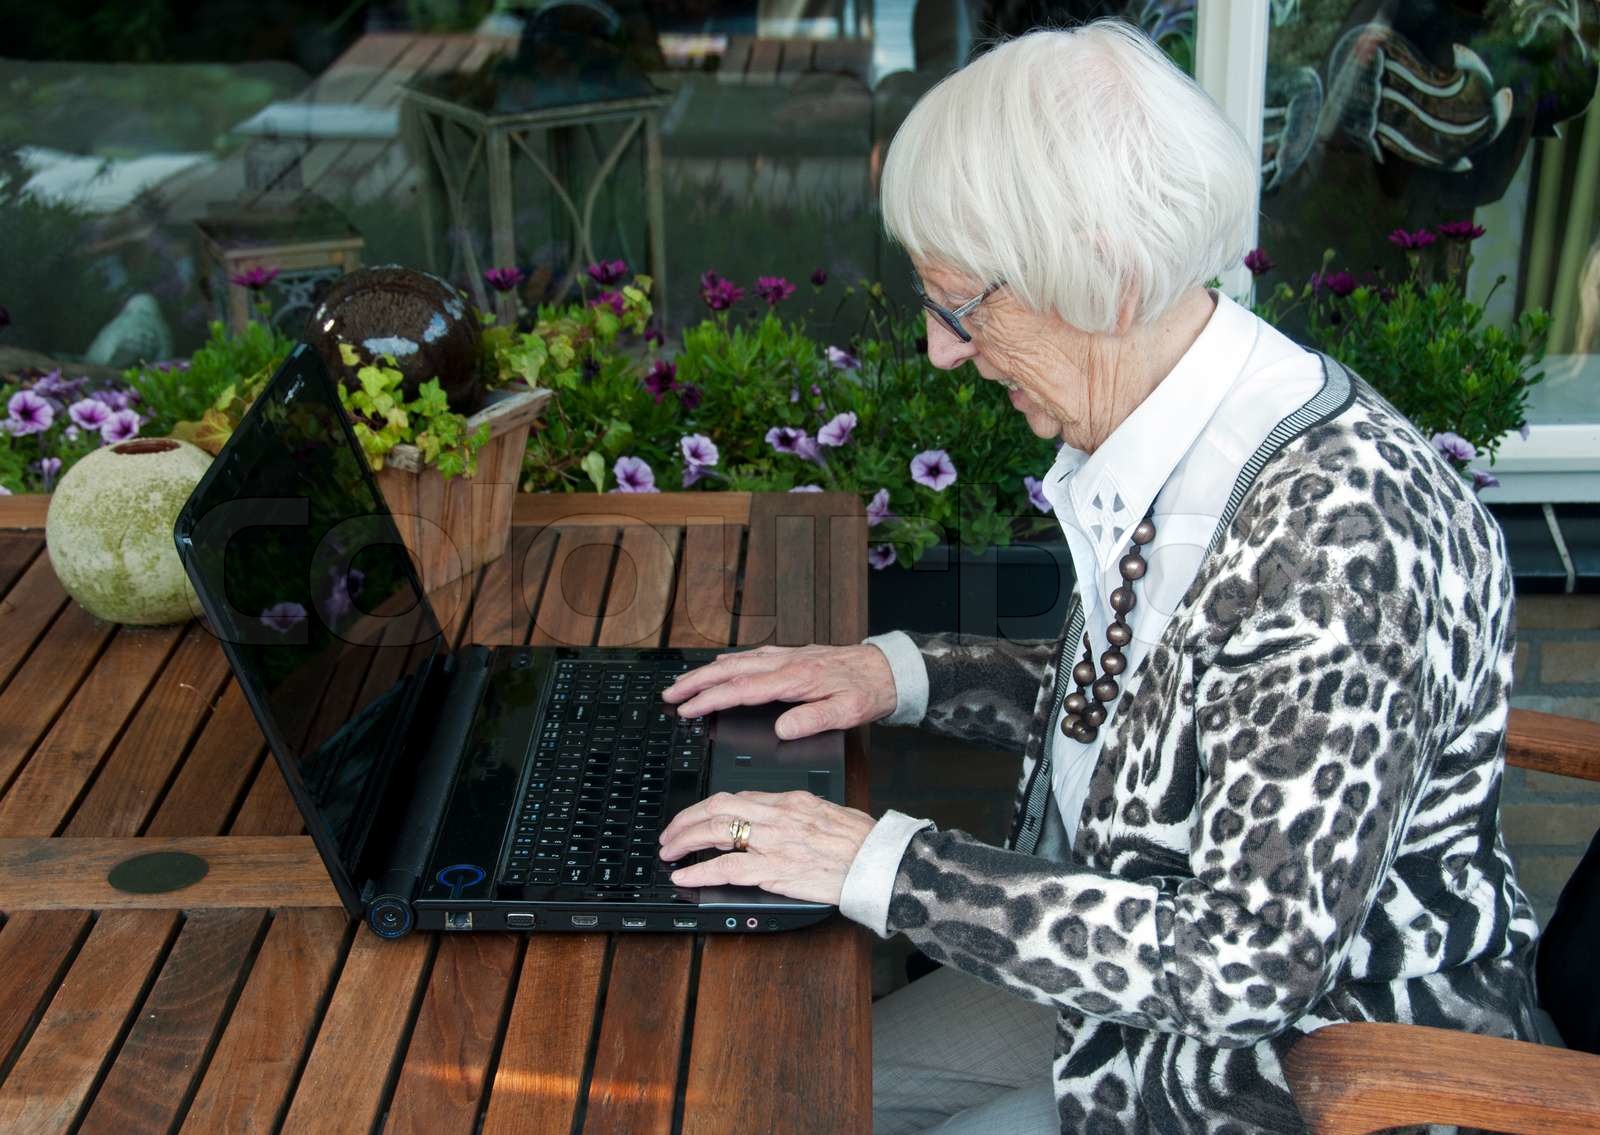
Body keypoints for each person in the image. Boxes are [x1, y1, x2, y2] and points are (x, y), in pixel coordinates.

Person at [657, 21, 1541, 1134]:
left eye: (962, 307)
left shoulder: (1334, 555)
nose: (941, 349)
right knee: (783, 1090)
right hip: (1115, 983)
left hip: (1300, 1072)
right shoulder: (1191, 416)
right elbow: (1167, 709)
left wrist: (877, 861)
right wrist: (899, 673)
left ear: (1109, 281)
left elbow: (1243, 966)